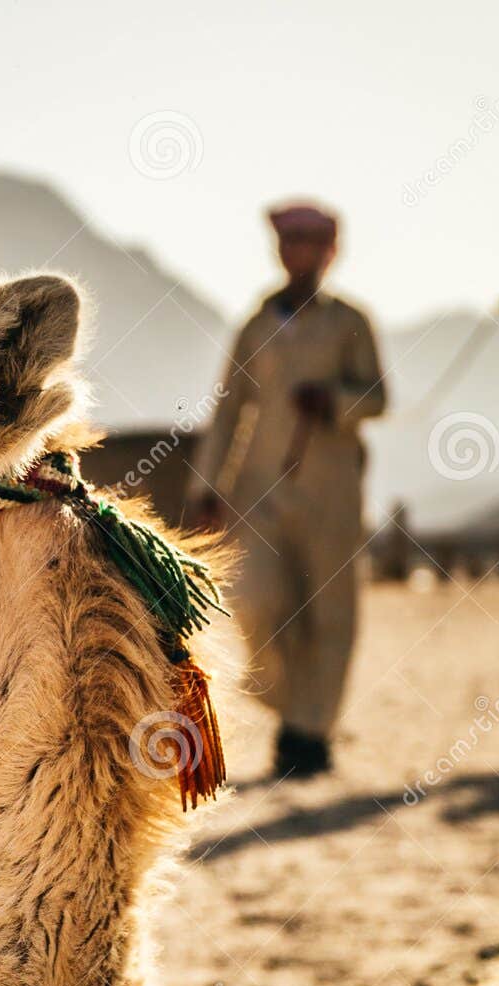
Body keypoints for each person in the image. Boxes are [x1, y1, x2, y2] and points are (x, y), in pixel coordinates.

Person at [186, 203, 386, 778]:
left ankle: (308, 735)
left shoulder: (351, 322)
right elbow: (228, 410)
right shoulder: (255, 326)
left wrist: (335, 401)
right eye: (289, 240)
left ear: (330, 252)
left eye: (310, 242)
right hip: (258, 492)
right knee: (253, 602)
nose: (298, 251)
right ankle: (293, 707)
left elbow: (377, 396)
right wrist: (207, 487)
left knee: (330, 613)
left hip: (332, 492)